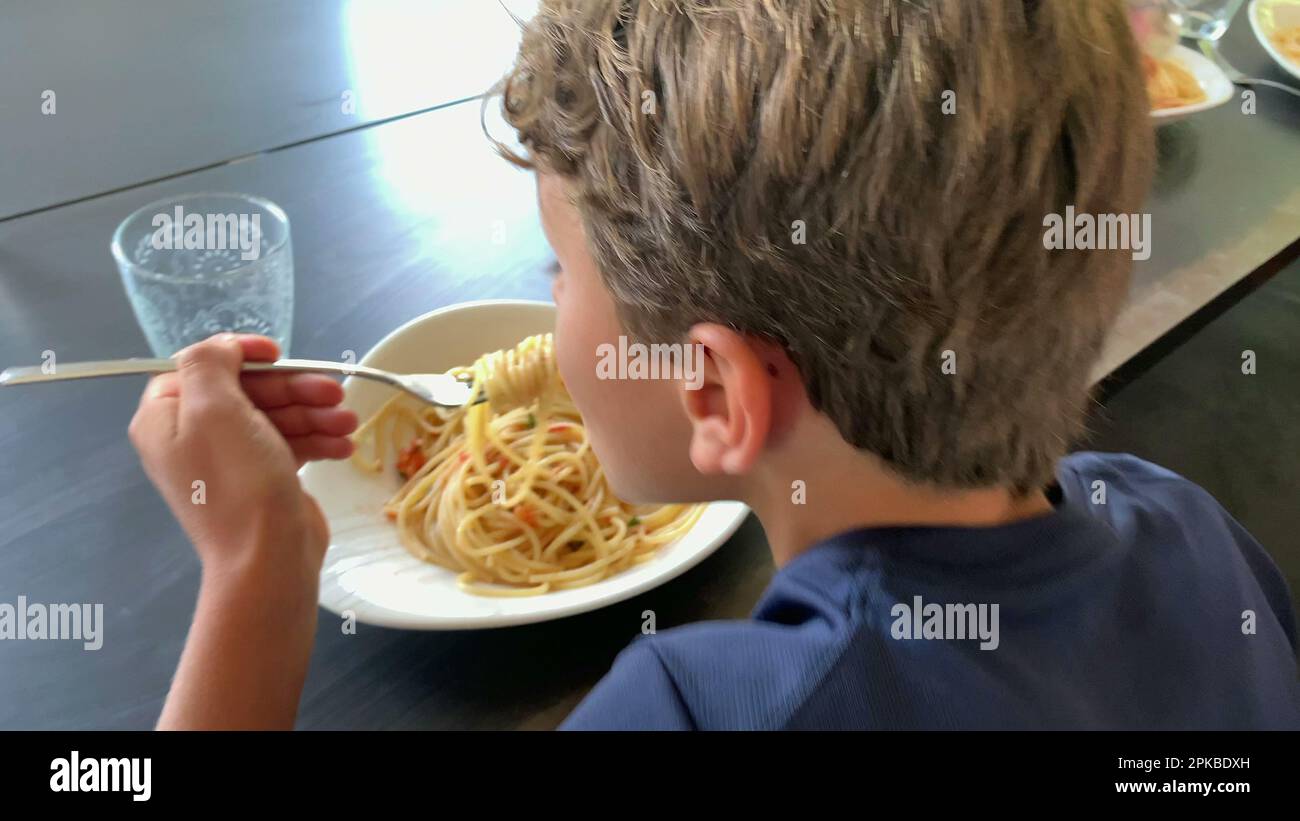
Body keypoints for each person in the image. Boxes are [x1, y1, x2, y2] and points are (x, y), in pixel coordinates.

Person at [129, 0, 1300, 730]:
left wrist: (257, 565)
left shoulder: (694, 708)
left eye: (558, 269)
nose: (549, 304)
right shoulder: (1193, 524)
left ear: (715, 393)